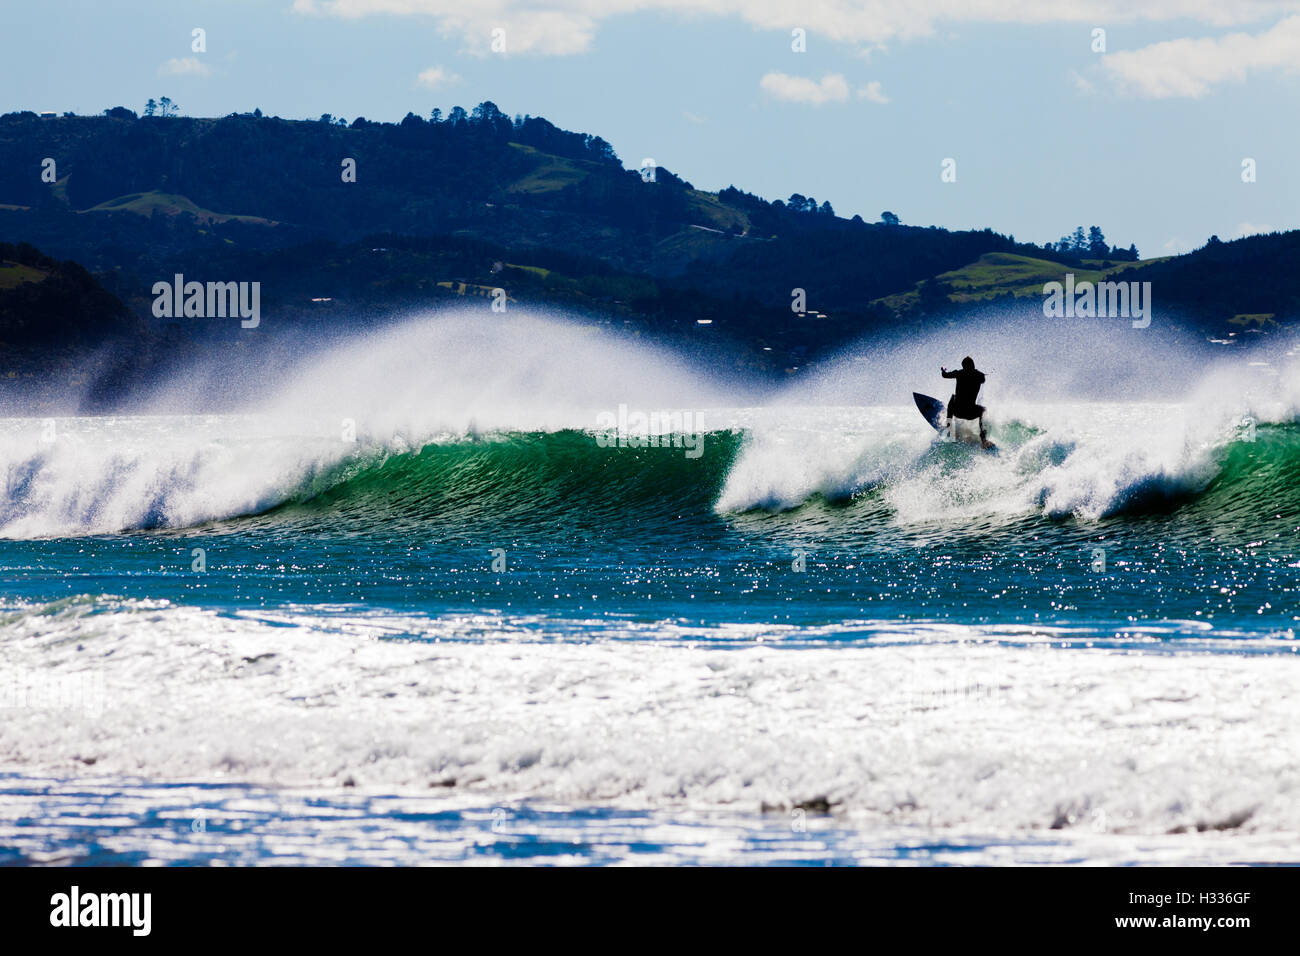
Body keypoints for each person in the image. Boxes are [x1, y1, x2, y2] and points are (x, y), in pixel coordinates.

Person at [941, 356, 989, 445]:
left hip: (958, 411)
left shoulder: (959, 373)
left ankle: (950, 430)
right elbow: (982, 380)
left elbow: (944, 375)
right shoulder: (979, 375)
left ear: (963, 366)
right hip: (970, 413)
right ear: (973, 365)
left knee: (953, 398)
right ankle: (983, 439)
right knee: (983, 410)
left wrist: (943, 369)